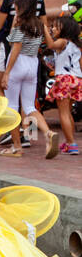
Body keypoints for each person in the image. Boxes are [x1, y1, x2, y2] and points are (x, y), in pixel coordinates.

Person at [1, 0, 58, 158]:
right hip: (32, 64)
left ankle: (17, 147)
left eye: (16, 6)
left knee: (12, 106)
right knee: (29, 106)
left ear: (21, 7)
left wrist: (6, 73)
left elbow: (15, 47)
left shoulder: (20, 25)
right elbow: (49, 44)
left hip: (17, 64)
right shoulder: (39, 25)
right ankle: (48, 132)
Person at [0, 0, 44, 99]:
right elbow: (44, 23)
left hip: (11, 47)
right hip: (31, 50)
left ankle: (10, 119)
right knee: (26, 100)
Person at [44, 15, 82, 155]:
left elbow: (50, 45)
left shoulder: (62, 42)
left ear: (64, 29)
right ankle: (68, 141)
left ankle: (72, 144)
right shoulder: (76, 46)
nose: (53, 29)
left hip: (64, 79)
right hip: (77, 79)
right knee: (68, 113)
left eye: (55, 26)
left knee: (63, 113)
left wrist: (44, 30)